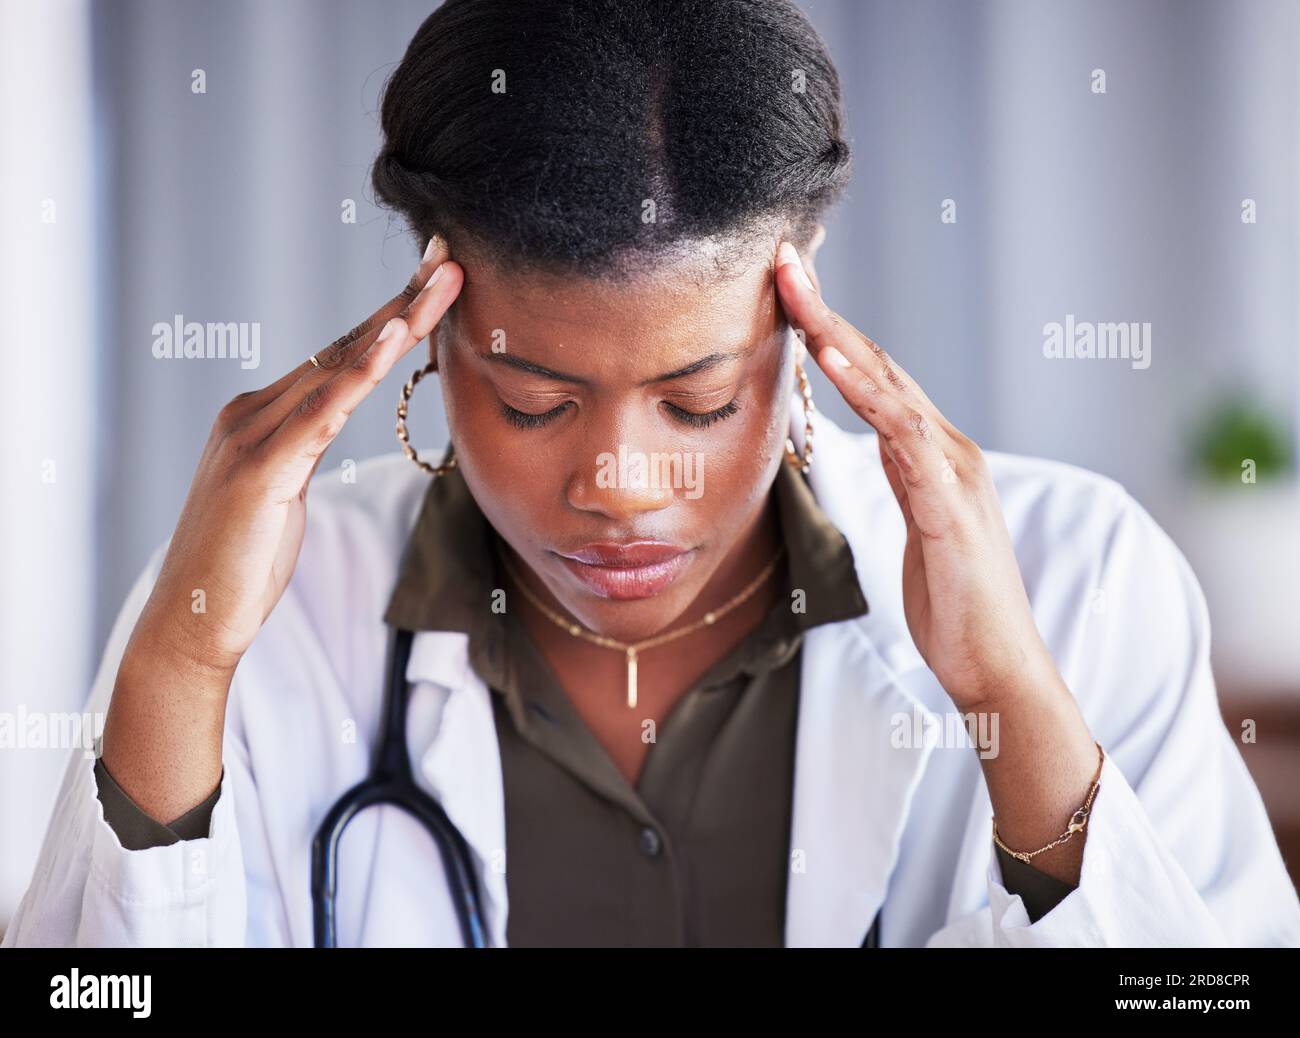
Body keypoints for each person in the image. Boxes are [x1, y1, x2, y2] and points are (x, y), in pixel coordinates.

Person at [6, 0, 1300, 948]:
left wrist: (1012, 695)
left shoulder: (1080, 579)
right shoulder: (254, 614)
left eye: (701, 398)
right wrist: (178, 667)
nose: (620, 482)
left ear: (804, 310)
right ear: (428, 323)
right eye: (532, 401)